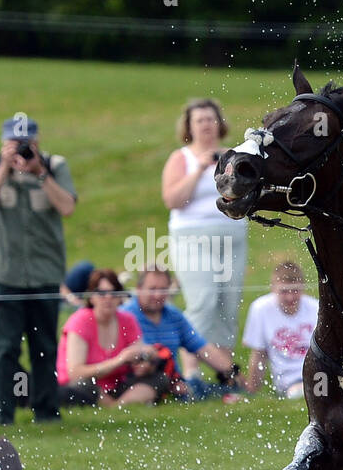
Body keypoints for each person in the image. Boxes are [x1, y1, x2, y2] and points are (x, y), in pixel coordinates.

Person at [0, 115, 77, 425]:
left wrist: (40, 173)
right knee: (5, 347)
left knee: (44, 345)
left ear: (38, 140)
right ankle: (1, 414)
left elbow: (67, 207)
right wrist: (5, 168)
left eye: (28, 143)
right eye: (14, 143)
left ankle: (47, 412)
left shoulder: (54, 165)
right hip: (8, 274)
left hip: (45, 271)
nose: (22, 148)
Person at [161, 97, 248, 381]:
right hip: (191, 238)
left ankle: (227, 375)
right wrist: (199, 168)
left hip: (232, 238)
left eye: (211, 119)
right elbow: (173, 200)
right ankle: (191, 372)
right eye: (199, 120)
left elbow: (245, 195)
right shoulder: (181, 158)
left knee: (228, 303)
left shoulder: (234, 155)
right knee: (204, 300)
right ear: (189, 126)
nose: (206, 125)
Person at [121, 267, 241, 398]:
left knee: (215, 389)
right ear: (139, 289)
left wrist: (232, 372)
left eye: (162, 289)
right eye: (152, 289)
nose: (158, 295)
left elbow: (202, 348)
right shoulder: (125, 316)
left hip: (175, 383)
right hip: (138, 382)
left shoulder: (173, 315)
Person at [56, 269, 167, 406]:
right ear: (91, 297)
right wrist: (119, 360)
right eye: (102, 293)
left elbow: (139, 356)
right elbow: (75, 373)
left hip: (117, 386)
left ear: (120, 297)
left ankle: (116, 406)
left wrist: (146, 361)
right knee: (82, 385)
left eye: (113, 293)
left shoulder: (128, 320)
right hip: (86, 387)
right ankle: (120, 406)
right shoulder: (80, 321)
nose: (108, 297)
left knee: (160, 378)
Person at [241, 260, 318, 398]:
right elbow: (259, 354)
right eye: (284, 292)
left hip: (317, 376)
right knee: (301, 394)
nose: (290, 297)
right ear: (273, 288)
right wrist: (251, 391)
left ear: (303, 288)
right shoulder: (260, 309)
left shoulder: (316, 308)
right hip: (288, 381)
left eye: (295, 291)